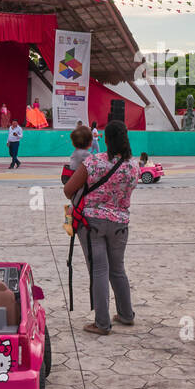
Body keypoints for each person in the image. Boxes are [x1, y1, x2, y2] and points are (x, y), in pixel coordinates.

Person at [64, 120, 138, 336]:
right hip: (120, 224)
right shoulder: (133, 166)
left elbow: (69, 190)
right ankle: (126, 314)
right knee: (118, 270)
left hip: (92, 224)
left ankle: (102, 323)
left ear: (105, 139)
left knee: (98, 271)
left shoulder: (94, 162)